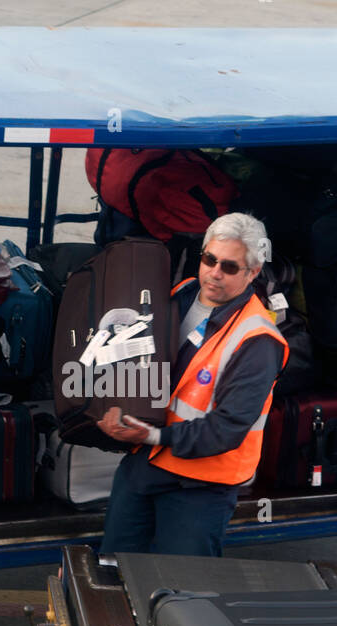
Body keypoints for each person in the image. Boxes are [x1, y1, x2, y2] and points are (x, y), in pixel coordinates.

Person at [97, 213, 289, 557]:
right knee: (114, 566)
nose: (214, 273)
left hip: (201, 486)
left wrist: (154, 436)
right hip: (145, 465)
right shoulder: (182, 294)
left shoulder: (258, 340)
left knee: (180, 584)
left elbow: (227, 428)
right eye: (209, 259)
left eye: (229, 267)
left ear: (253, 272)